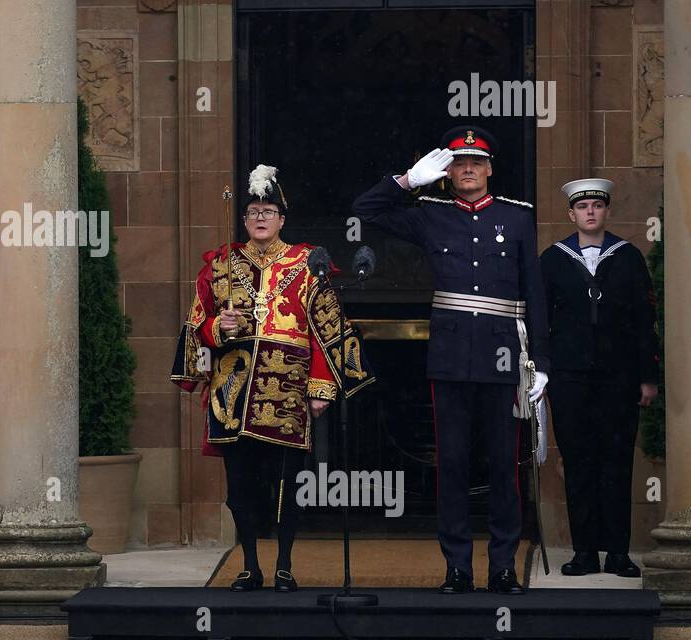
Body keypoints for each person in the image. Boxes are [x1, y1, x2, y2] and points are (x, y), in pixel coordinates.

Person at [352, 127, 548, 594]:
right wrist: (406, 182)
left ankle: (502, 565)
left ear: (489, 169)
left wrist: (541, 362)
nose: (468, 170)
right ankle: (457, 566)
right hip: (451, 357)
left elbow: (533, 293)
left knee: (504, 465)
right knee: (454, 465)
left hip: (504, 355)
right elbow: (366, 210)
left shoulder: (517, 218)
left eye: (476, 163)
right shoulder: (430, 214)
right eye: (459, 163)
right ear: (448, 171)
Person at [172, 165, 373, 592]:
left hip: (288, 392)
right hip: (233, 393)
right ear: (244, 219)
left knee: (286, 486)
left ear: (282, 218)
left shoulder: (306, 262)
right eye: (252, 211)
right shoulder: (221, 264)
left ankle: (283, 565)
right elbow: (196, 326)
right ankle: (249, 565)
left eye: (268, 210)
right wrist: (217, 330)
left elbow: (328, 327)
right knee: (241, 488)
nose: (260, 218)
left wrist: (322, 386)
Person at [540, 178, 659, 578]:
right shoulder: (553, 259)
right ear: (570, 214)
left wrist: (648, 377)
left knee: (617, 463)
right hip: (569, 378)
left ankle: (618, 553)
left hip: (619, 377)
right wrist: (542, 371)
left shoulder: (628, 257)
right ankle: (585, 553)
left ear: (607, 211)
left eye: (597, 205)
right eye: (583, 206)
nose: (590, 211)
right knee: (578, 463)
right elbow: (540, 321)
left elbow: (645, 322)